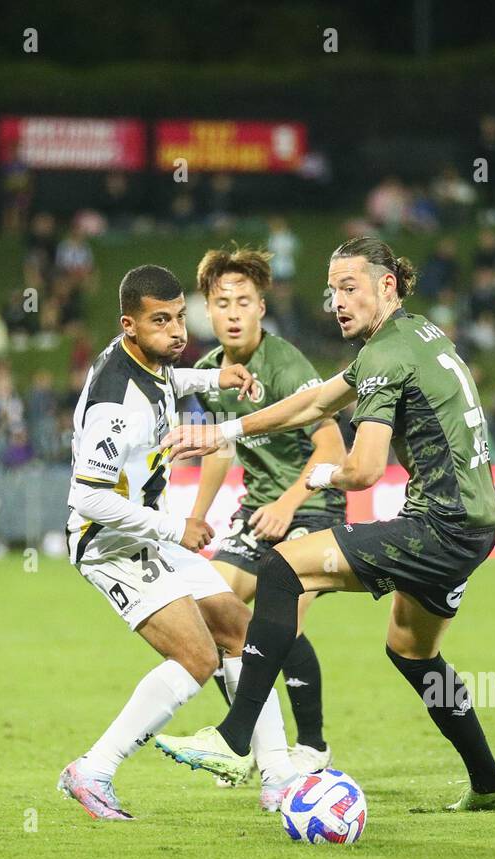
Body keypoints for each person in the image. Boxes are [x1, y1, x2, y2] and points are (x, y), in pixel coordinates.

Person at [155, 237, 495, 813]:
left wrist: (321, 478)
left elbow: (365, 470)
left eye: (350, 288)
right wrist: (223, 433)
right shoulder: (418, 334)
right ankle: (490, 785)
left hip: (439, 526)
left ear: (388, 286)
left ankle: (233, 737)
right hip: (474, 526)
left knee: (281, 568)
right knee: (411, 652)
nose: (338, 303)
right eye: (333, 291)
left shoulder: (384, 355)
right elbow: (313, 404)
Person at [57, 265, 301, 821]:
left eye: (179, 319)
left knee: (239, 627)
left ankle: (279, 777)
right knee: (195, 656)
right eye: (160, 322)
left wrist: (214, 379)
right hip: (110, 542)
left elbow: (168, 384)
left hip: (150, 531)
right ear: (128, 325)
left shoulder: (147, 360)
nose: (177, 333)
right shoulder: (115, 407)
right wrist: (175, 528)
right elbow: (87, 497)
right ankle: (93, 770)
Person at [189, 246, 347, 777]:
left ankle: (312, 745)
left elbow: (333, 448)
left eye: (243, 302)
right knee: (211, 611)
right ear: (206, 311)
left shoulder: (284, 364)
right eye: (221, 302)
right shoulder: (210, 372)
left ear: (262, 308)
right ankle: (250, 741)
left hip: (313, 504)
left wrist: (287, 502)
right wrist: (196, 517)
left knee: (277, 626)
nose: (232, 313)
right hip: (258, 510)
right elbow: (220, 450)